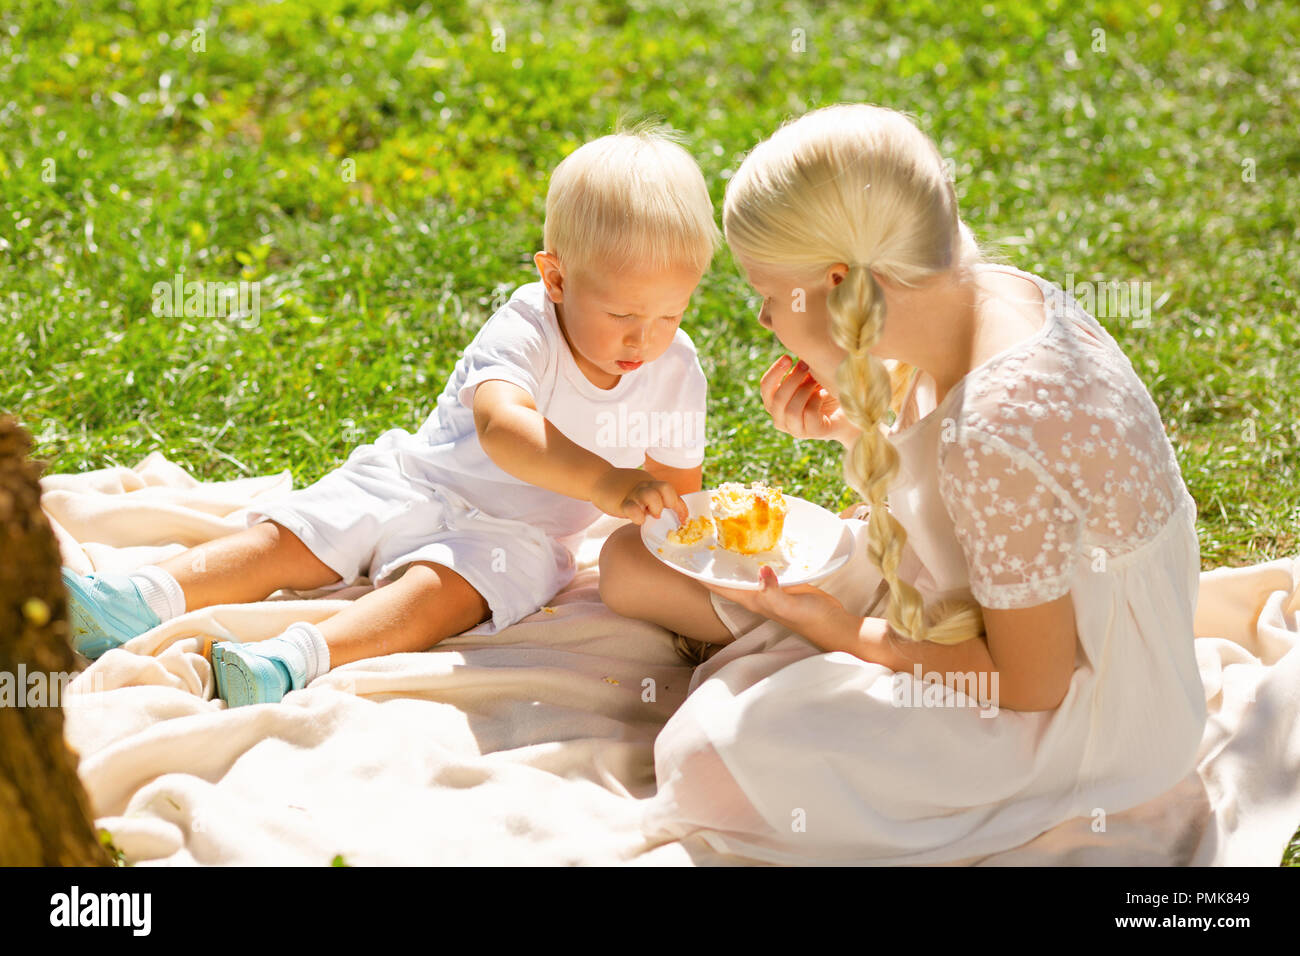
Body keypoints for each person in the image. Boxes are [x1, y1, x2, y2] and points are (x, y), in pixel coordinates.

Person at [599, 104, 1206, 864]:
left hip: (1077, 710)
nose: (762, 318)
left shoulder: (998, 425)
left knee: (706, 758)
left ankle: (806, 679)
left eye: (767, 295)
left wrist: (847, 637)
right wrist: (852, 427)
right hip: (971, 600)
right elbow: (965, 503)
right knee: (630, 564)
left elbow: (1030, 684)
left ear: (841, 284)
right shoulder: (987, 294)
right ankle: (801, 665)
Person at [62, 126, 717, 707]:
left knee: (438, 599)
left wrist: (678, 539)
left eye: (670, 314)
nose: (645, 340)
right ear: (557, 280)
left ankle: (292, 660)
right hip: (416, 479)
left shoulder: (676, 370)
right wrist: (607, 484)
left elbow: (676, 501)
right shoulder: (528, 325)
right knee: (289, 539)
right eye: (624, 316)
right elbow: (501, 426)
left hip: (519, 536)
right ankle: (138, 599)